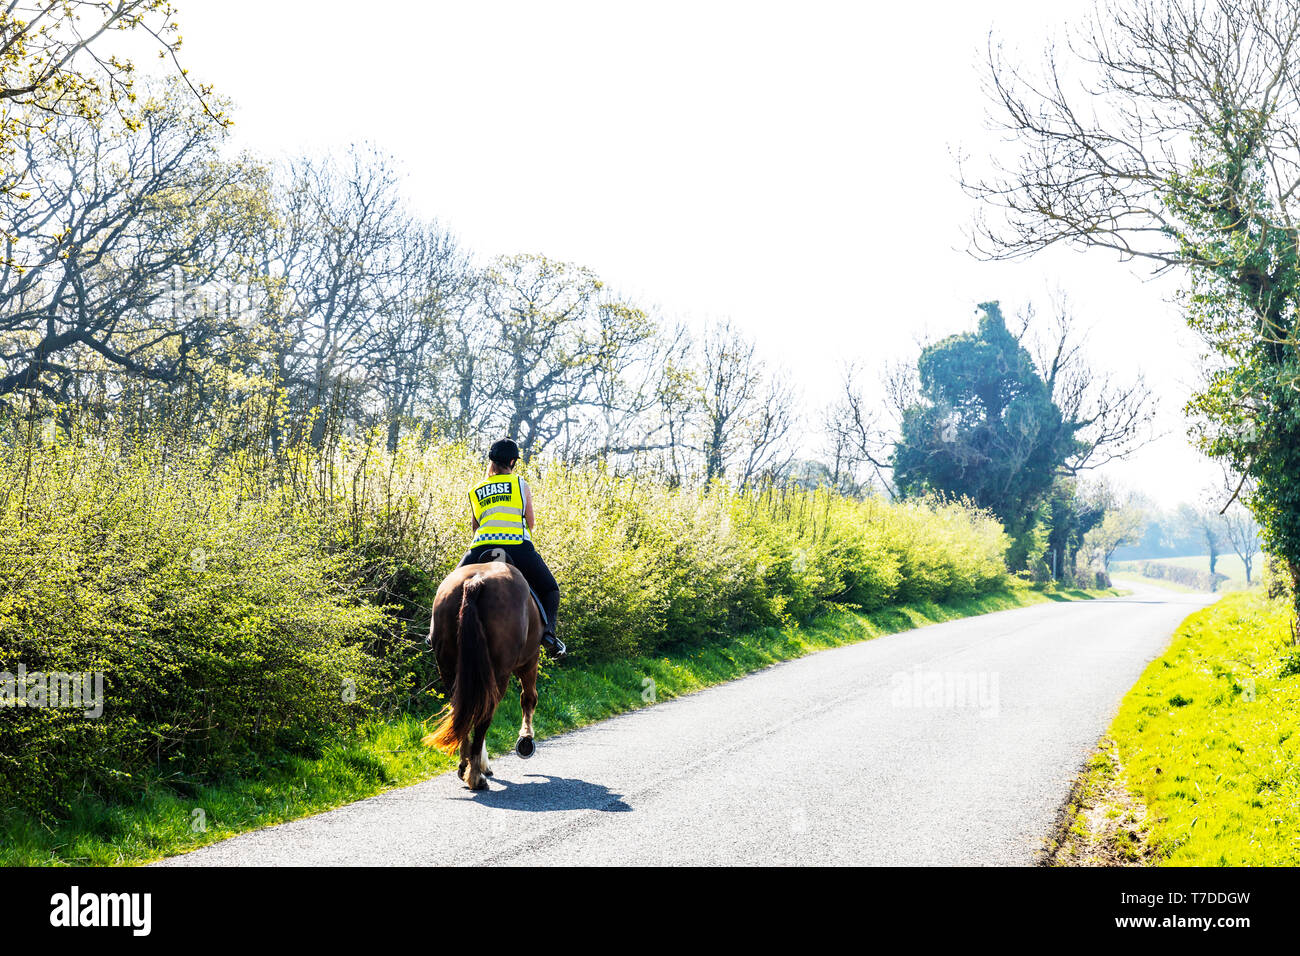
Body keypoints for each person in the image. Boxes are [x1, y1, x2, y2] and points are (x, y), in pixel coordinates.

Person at [458, 438, 565, 658]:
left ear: (491, 460)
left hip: (481, 547)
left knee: (448, 586)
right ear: (513, 461)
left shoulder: (476, 489)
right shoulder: (520, 484)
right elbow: (531, 522)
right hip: (517, 546)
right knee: (550, 589)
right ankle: (549, 635)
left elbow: (475, 526)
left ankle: (433, 633)